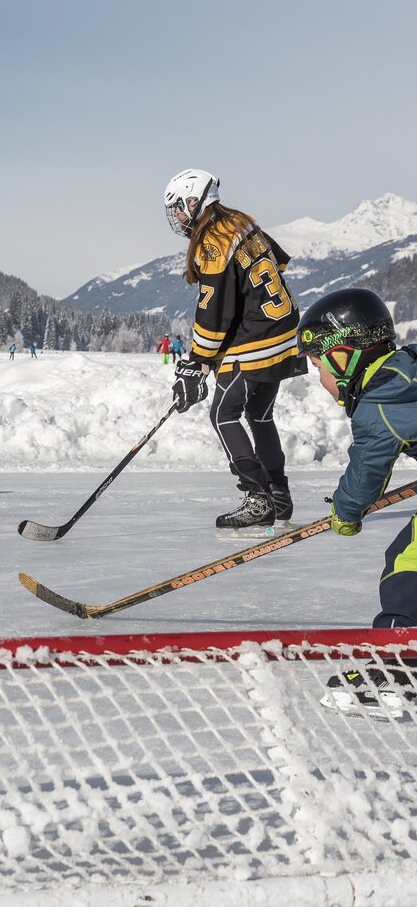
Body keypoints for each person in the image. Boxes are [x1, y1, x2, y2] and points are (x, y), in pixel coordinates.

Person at [163, 168, 305, 531]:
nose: (178, 216)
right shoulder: (241, 221)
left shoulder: (212, 240)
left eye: (179, 207)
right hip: (284, 332)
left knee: (224, 415)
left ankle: (257, 497)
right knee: (259, 416)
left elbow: (213, 313)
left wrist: (197, 362)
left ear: (194, 201)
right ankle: (279, 496)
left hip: (257, 340)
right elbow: (278, 263)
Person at [298, 287, 417, 717]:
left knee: (407, 559)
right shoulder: (411, 367)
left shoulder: (382, 397)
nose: (321, 380)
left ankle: (402, 655)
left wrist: (346, 513)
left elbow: (367, 474)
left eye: (318, 366)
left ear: (342, 356)